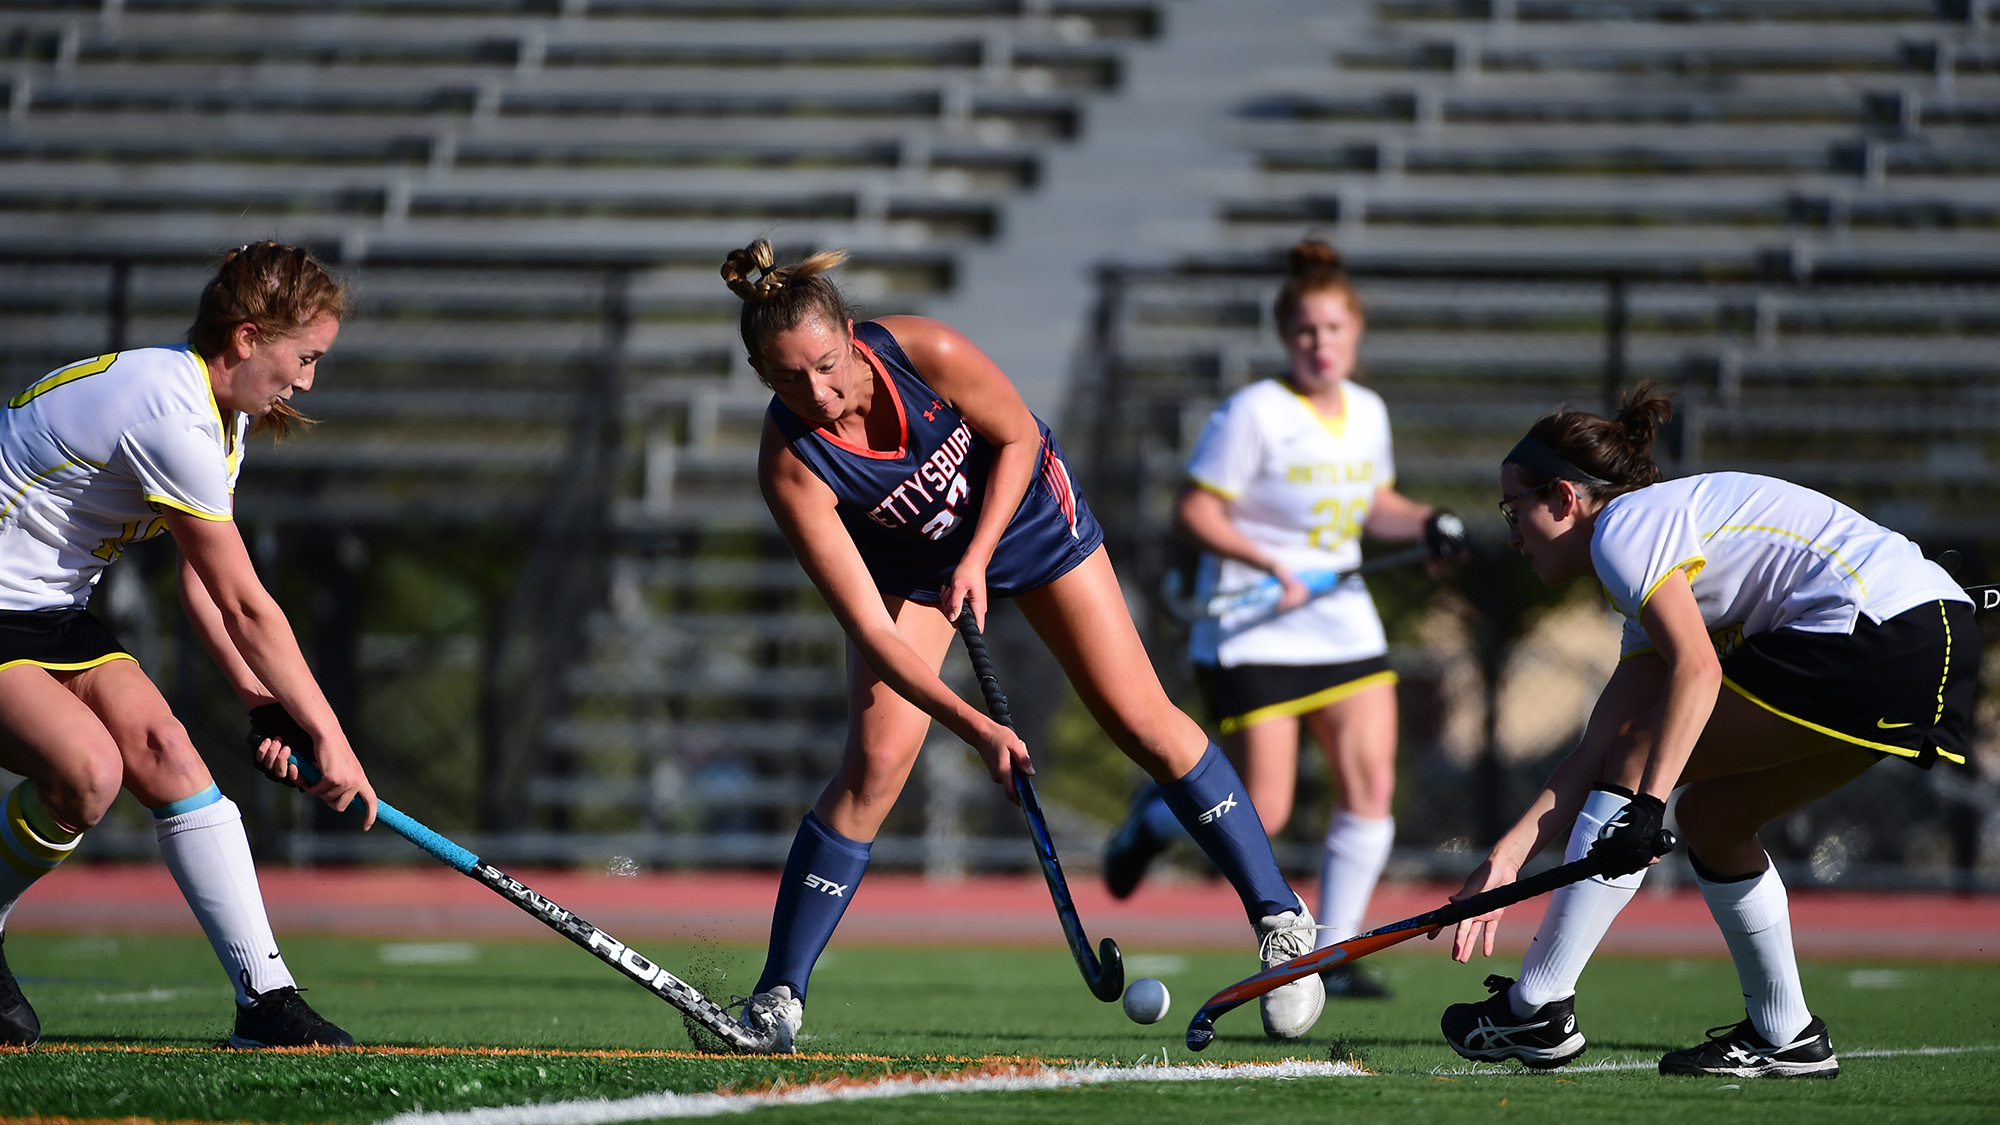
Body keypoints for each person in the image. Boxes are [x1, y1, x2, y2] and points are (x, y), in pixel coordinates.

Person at [719, 238, 1324, 1051]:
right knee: (876, 764)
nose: (818, 394)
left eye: (827, 366)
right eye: (790, 379)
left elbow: (1017, 439)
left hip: (1028, 513)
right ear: (762, 375)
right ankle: (778, 996)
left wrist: (977, 554)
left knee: (1139, 718)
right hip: (910, 572)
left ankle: (1284, 922)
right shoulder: (792, 465)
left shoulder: (924, 352)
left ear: (852, 334)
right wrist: (977, 728)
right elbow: (870, 628)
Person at [1436, 386, 1977, 1079]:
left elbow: (1697, 672)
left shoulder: (1623, 530)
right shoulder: (1649, 560)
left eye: (1515, 510)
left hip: (1879, 632)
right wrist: (1507, 859)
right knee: (1714, 819)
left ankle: (1535, 1007)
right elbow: (1597, 748)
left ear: (1566, 498)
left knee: (1643, 756)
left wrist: (1646, 804)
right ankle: (1787, 1034)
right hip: (1927, 641)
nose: (1512, 535)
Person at [0, 242, 379, 1048]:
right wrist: (331, 736)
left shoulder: (220, 418)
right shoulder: (169, 412)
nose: (307, 382)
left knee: (169, 754)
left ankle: (265, 1000)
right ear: (248, 338)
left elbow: (203, 587)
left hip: (48, 613)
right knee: (90, 770)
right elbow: (245, 604)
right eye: (304, 358)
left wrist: (264, 704)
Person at [1102, 239, 1464, 999]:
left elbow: (1373, 506)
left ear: (1355, 333)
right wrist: (1270, 564)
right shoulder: (1254, 413)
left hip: (1341, 622)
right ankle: (1152, 822)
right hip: (1254, 626)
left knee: (1371, 784)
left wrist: (1427, 521)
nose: (1319, 343)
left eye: (1333, 329)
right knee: (1261, 807)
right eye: (1305, 330)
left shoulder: (1368, 412)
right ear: (1285, 336)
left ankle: (1331, 953)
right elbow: (1195, 510)